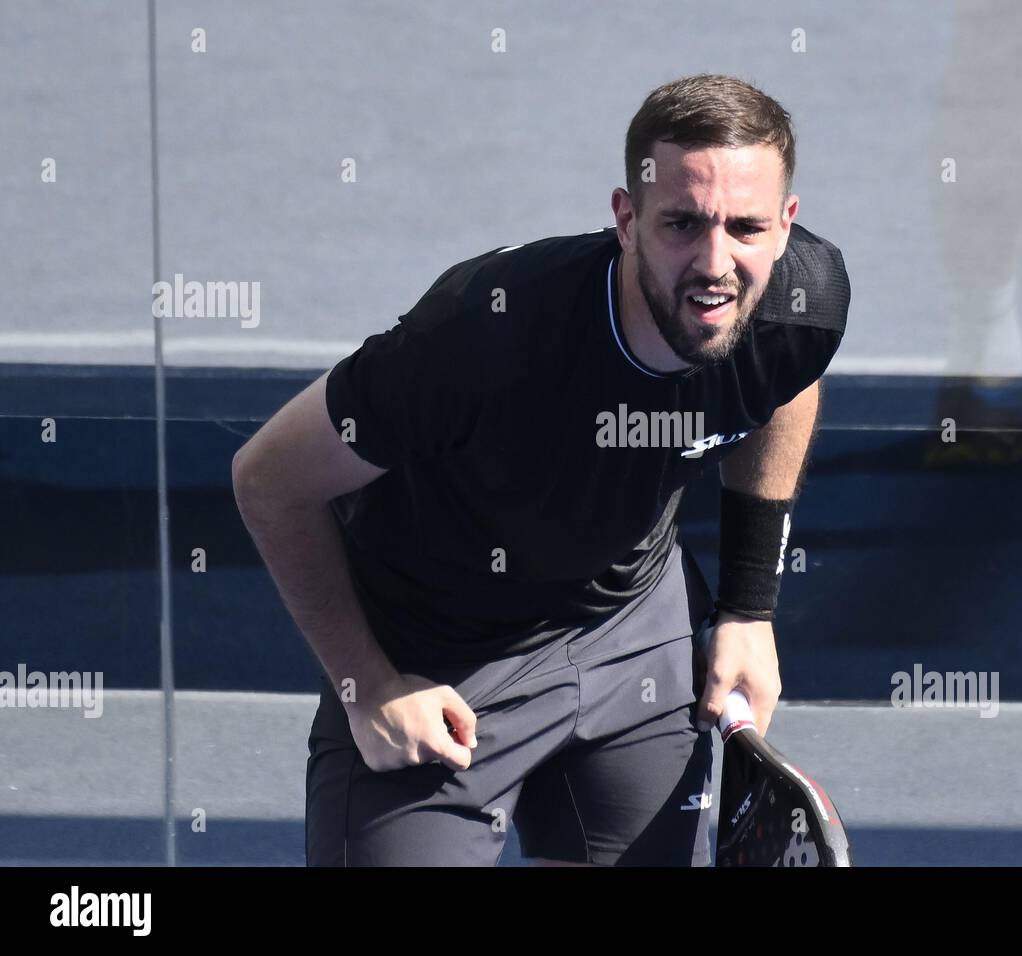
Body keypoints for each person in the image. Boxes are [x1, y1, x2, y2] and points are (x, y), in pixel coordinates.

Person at [231, 73, 850, 866]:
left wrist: (749, 607)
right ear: (625, 220)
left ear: (786, 226)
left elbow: (786, 383)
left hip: (635, 636)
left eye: (745, 227)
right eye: (682, 224)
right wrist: (368, 686)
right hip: (440, 660)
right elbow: (269, 479)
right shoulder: (482, 335)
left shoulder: (799, 301)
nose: (714, 263)